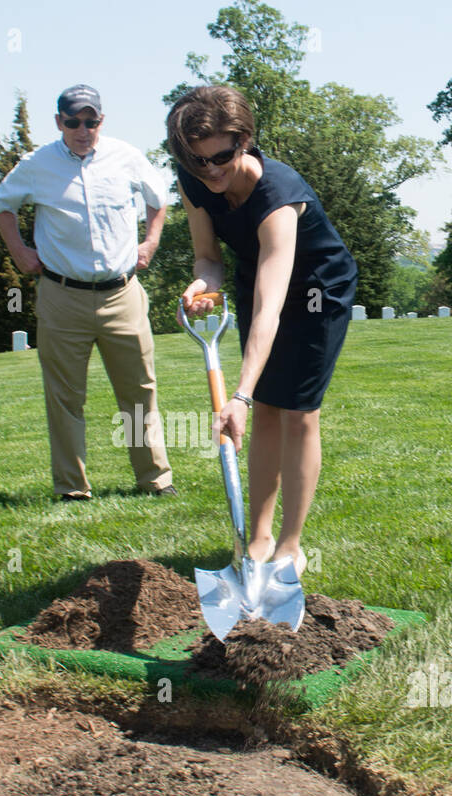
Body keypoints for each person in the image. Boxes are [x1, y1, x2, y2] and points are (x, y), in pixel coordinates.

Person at [167, 85, 359, 576]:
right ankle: (259, 537)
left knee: (296, 412)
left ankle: (291, 545)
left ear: (246, 140)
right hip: (259, 279)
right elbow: (209, 257)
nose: (210, 170)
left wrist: (240, 395)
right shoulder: (195, 184)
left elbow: (271, 309)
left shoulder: (278, 194)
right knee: (268, 411)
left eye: (221, 156)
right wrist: (202, 285)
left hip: (316, 290)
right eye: (196, 161)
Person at [0, 84, 175, 501]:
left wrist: (151, 242)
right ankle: (72, 487)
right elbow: (2, 203)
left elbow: (158, 198)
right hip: (62, 295)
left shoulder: (126, 157)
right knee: (65, 398)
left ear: (101, 121)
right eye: (73, 121)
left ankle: (154, 480)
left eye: (90, 121)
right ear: (59, 122)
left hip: (122, 293)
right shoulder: (37, 165)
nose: (82, 128)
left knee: (139, 392)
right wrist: (19, 250)